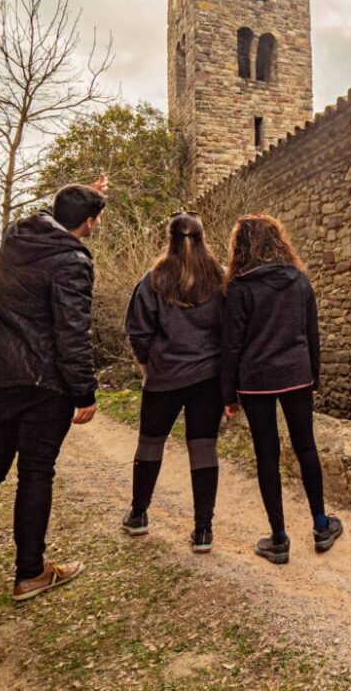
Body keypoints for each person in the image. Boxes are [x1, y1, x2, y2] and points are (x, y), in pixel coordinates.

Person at [0, 178, 107, 601]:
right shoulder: (72, 260)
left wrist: (84, 194)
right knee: (36, 474)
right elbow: (72, 331)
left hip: (1, 377)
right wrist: (84, 391)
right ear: (89, 224)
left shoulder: (15, 238)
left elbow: (52, 215)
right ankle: (30, 572)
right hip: (45, 385)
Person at [220, 214, 342, 564]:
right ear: (278, 241)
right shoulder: (299, 282)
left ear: (240, 247)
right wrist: (313, 378)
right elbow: (311, 333)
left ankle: (278, 538)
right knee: (306, 448)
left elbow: (231, 346)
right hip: (296, 376)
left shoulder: (239, 287)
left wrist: (228, 395)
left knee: (267, 456)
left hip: (255, 381)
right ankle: (321, 525)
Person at [121, 212, 226, 553]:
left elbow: (137, 328)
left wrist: (146, 363)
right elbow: (232, 328)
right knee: (204, 448)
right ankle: (204, 531)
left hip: (164, 376)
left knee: (150, 444)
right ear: (203, 237)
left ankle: (138, 515)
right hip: (207, 379)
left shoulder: (153, 279)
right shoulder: (220, 279)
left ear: (169, 239)